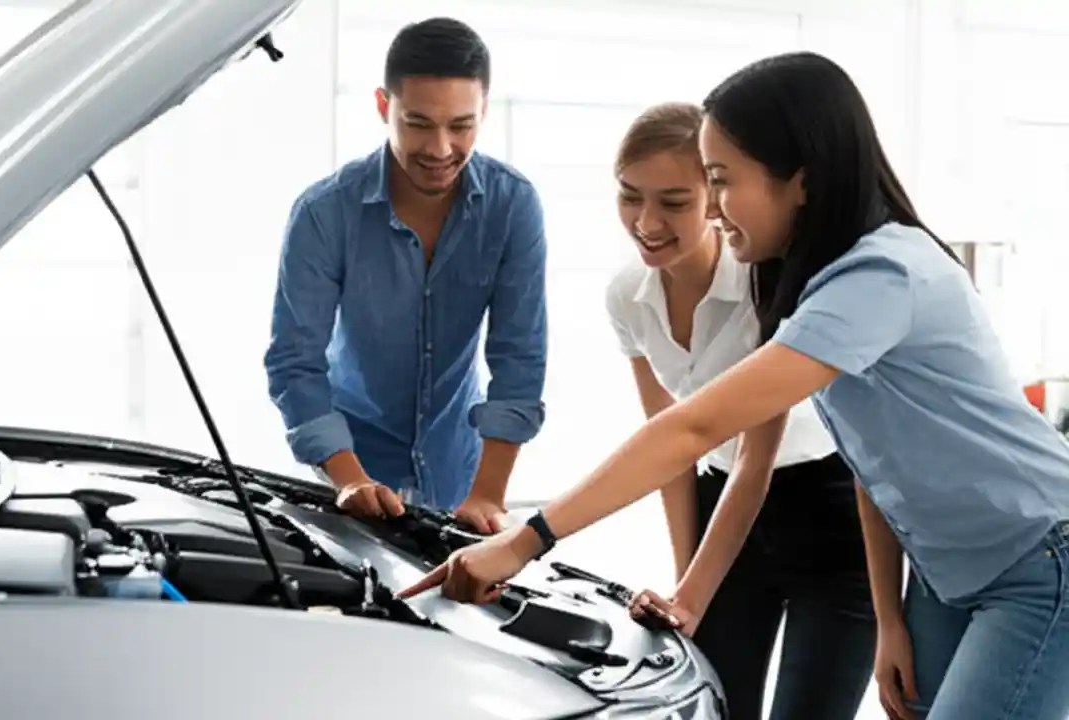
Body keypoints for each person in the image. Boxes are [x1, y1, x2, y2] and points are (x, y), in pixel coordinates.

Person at [401, 51, 1069, 720]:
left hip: (1040, 559)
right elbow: (877, 466)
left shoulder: (881, 277)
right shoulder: (820, 286)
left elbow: (694, 427)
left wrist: (524, 541)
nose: (715, 210)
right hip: (949, 572)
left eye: (721, 181)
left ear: (799, 182)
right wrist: (891, 617)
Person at [604, 101, 874, 719]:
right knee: (715, 708)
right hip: (720, 510)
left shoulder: (766, 286)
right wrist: (685, 583)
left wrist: (694, 595)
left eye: (673, 201)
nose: (647, 221)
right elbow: (670, 451)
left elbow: (756, 461)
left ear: (715, 197)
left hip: (824, 516)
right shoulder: (627, 295)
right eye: (629, 196)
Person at [263, 17, 548, 534]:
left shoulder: (513, 205)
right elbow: (295, 363)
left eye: (461, 125)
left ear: (484, 111)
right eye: (418, 123)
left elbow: (519, 359)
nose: (440, 149)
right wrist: (350, 480)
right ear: (382, 106)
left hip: (461, 472)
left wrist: (489, 494)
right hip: (346, 471)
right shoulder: (323, 213)